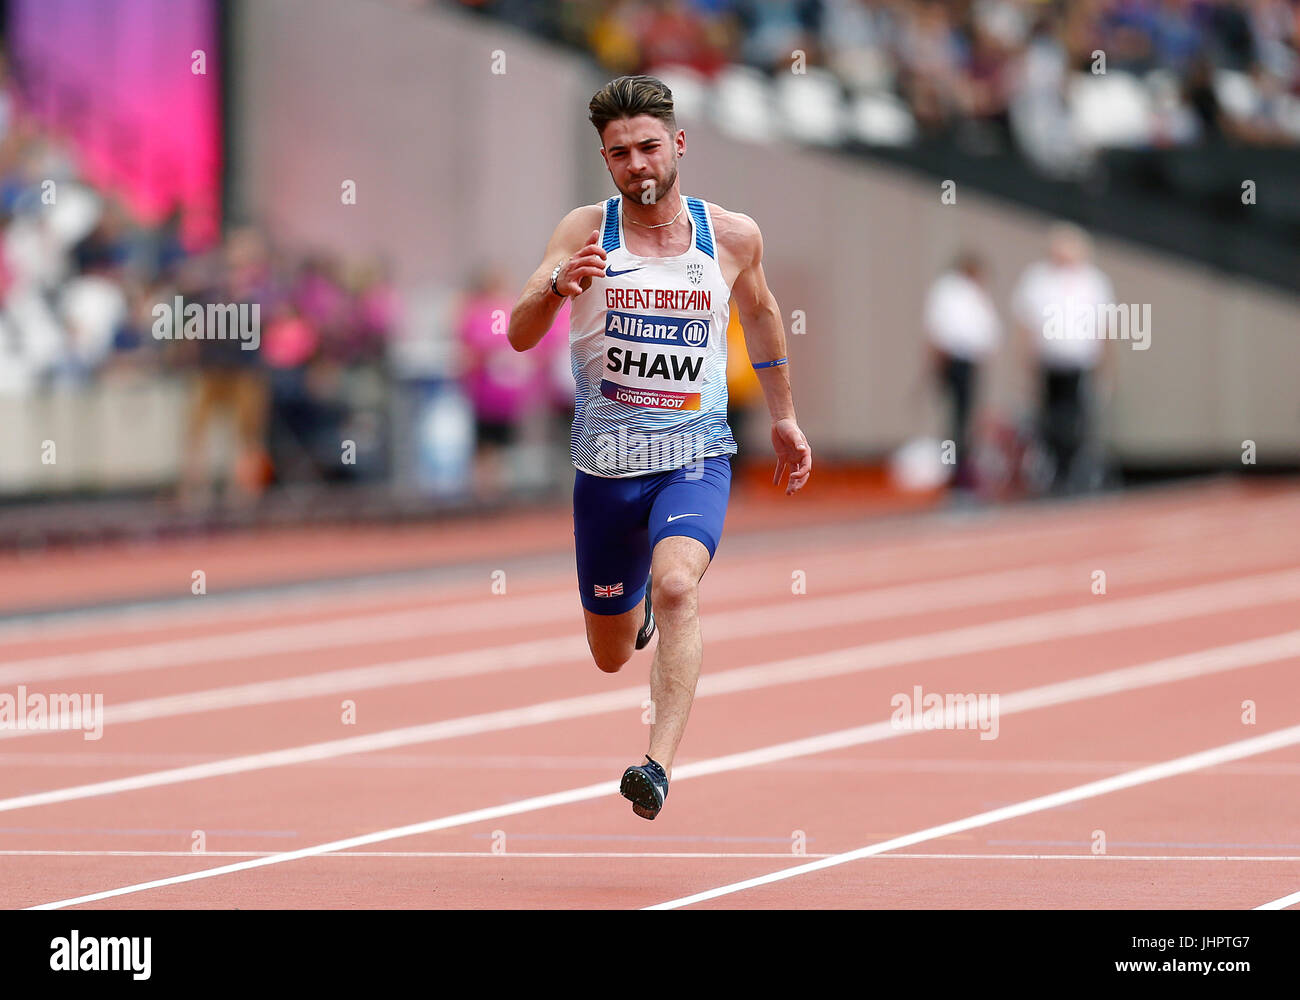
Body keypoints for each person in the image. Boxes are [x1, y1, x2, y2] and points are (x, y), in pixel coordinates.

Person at [508, 75, 811, 820]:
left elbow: (764, 317)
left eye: (648, 146)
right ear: (605, 161)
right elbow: (516, 333)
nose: (637, 164)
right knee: (610, 654)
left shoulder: (730, 236)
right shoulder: (583, 229)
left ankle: (657, 766)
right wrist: (555, 284)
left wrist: (783, 416)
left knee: (680, 586)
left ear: (678, 144)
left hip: (694, 458)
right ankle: (629, 609)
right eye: (619, 154)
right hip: (604, 471)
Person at [1011, 223, 1114, 495]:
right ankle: (1052, 470)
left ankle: (1072, 470)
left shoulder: (1093, 281)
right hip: (1049, 361)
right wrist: (1026, 363)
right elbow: (1027, 323)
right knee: (1048, 418)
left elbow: (1104, 328)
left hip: (1079, 361)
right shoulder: (1038, 279)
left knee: (1075, 417)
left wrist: (1105, 366)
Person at [923, 250, 1000, 490]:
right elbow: (938, 328)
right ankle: (955, 472)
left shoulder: (976, 294)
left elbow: (987, 331)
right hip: (954, 360)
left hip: (971, 362)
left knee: (967, 419)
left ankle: (964, 470)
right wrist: (938, 362)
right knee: (957, 419)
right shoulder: (949, 290)